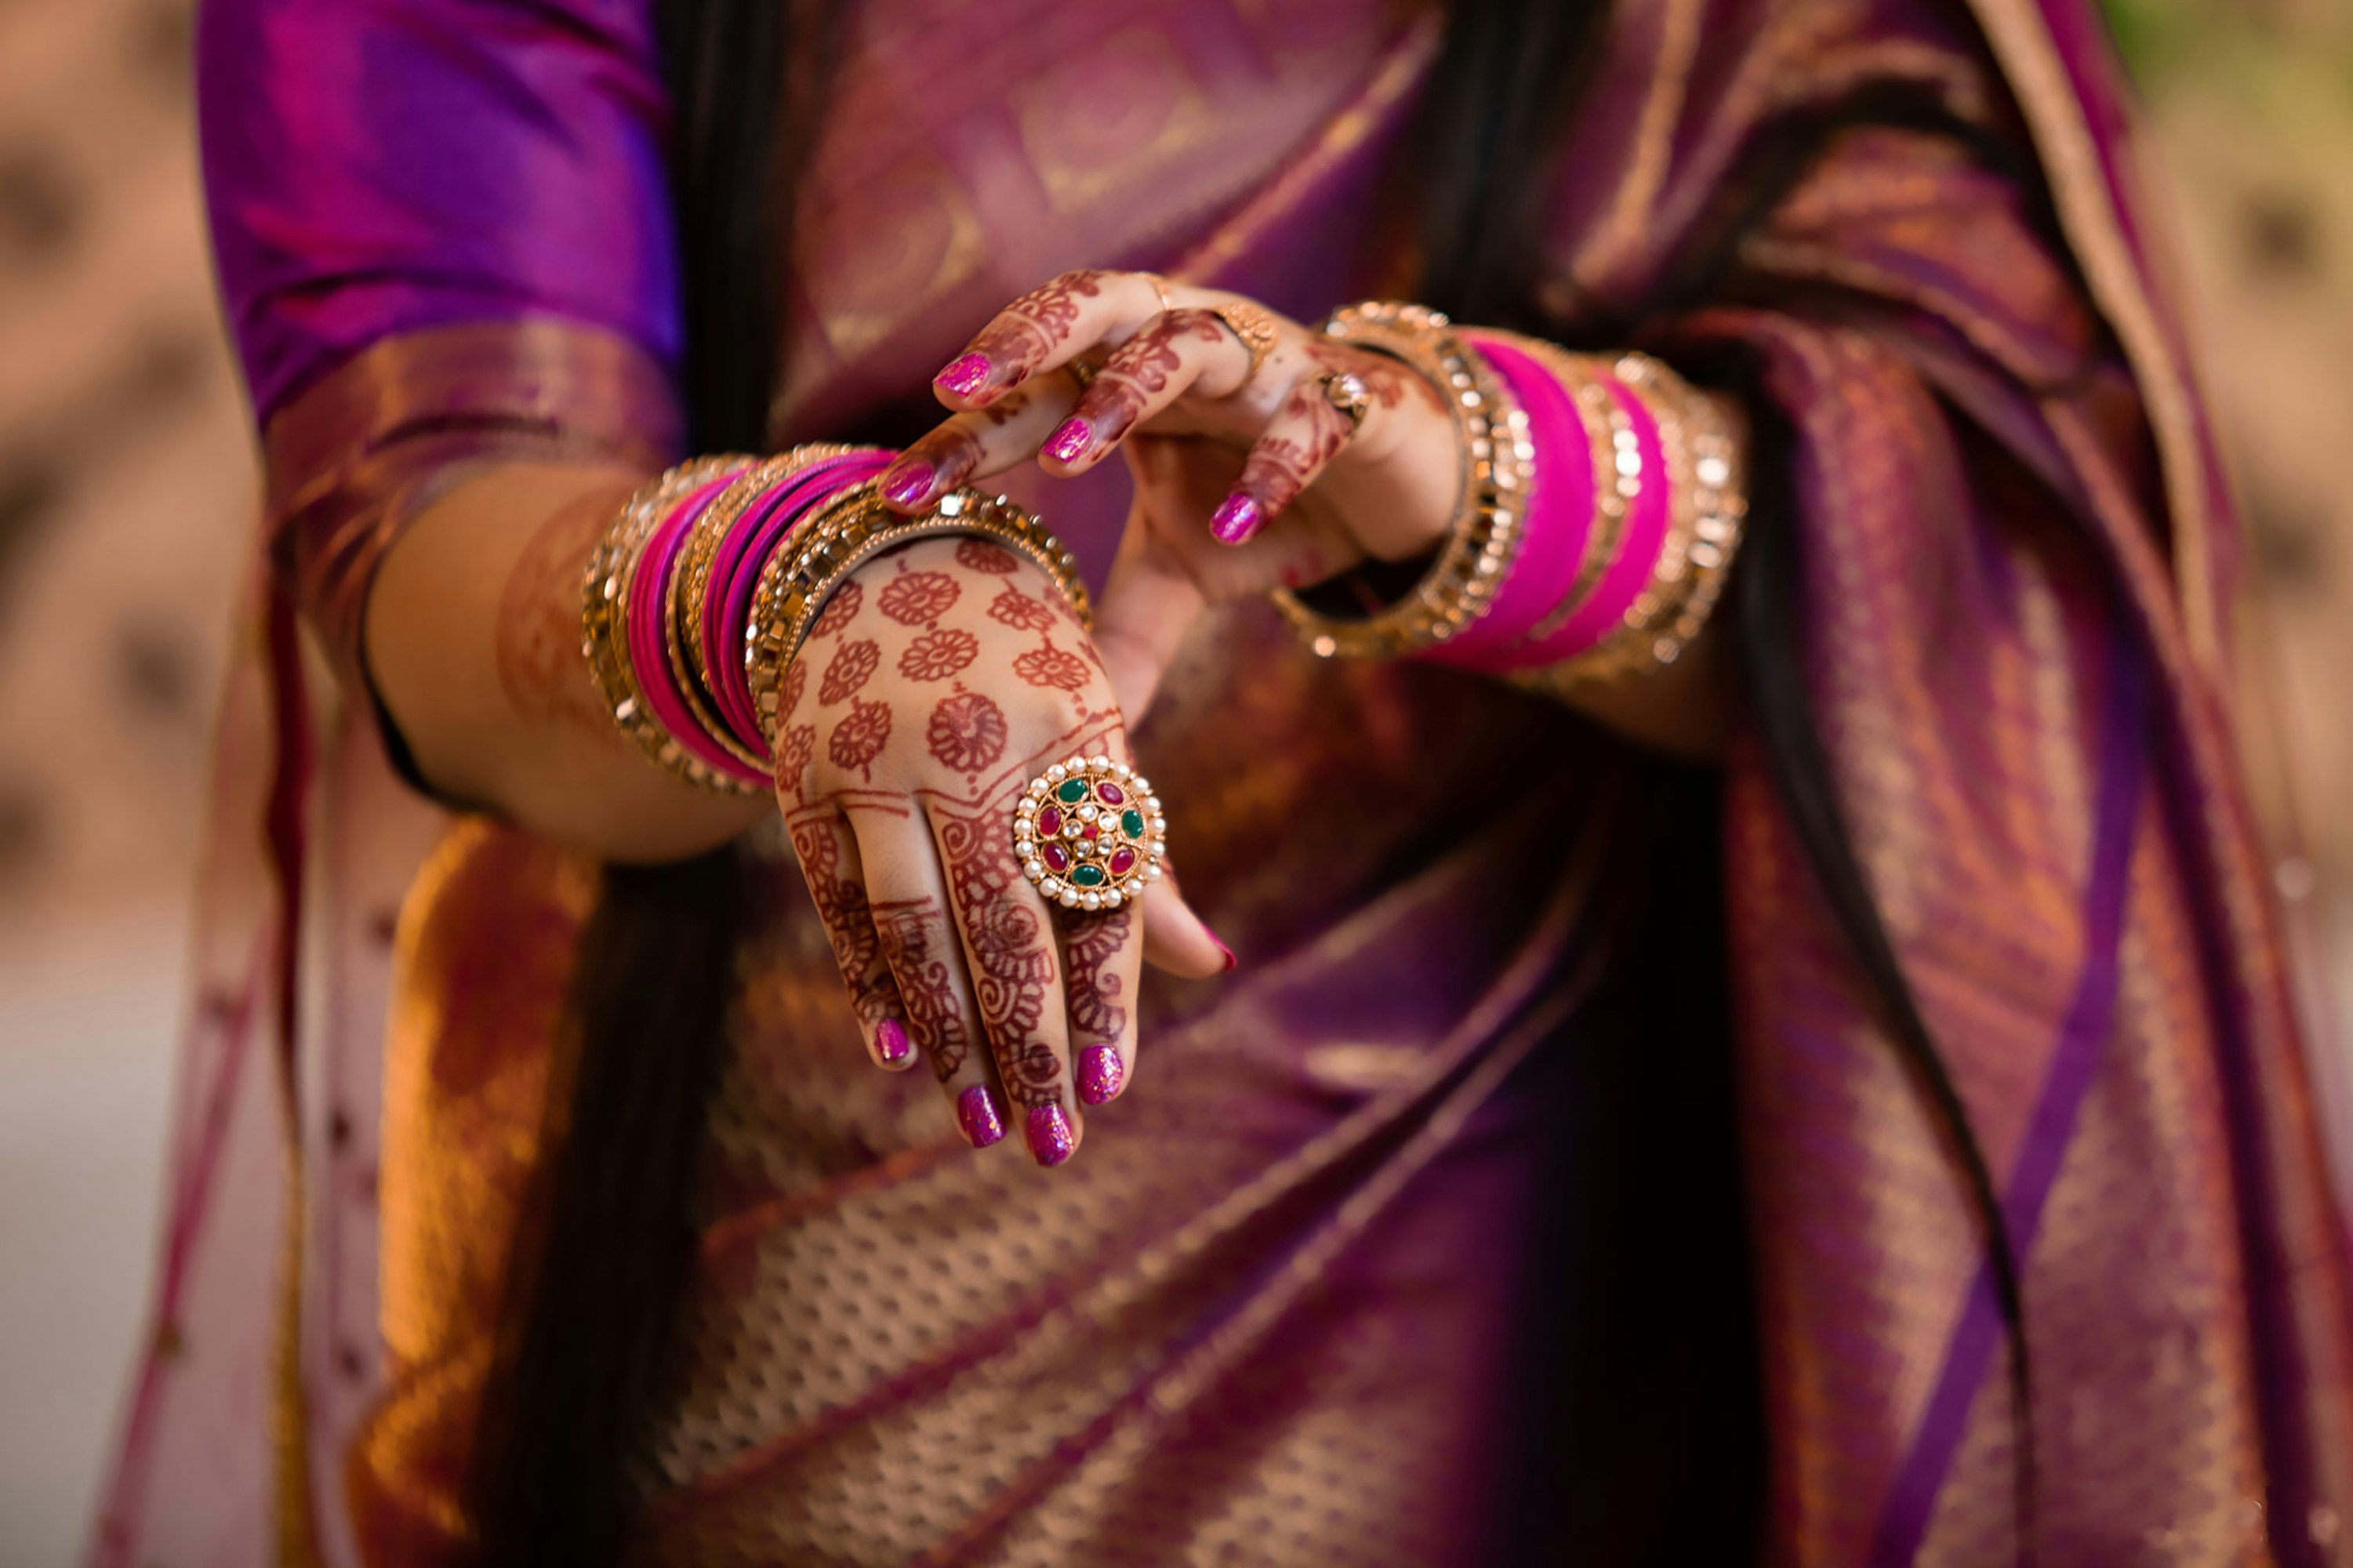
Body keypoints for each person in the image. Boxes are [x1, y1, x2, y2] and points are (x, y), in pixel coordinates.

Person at [89, 0, 2353, 1562]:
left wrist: (1426, 466)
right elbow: (429, 547)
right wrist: (814, 596)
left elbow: (1957, 552)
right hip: (781, 1331)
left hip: (1557, 1337)